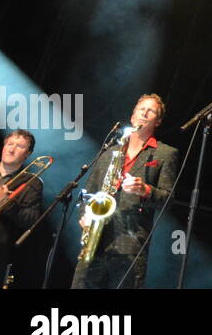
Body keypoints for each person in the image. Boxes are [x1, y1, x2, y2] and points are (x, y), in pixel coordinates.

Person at [72, 94, 179, 288]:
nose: (145, 113)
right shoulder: (109, 152)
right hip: (95, 241)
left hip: (130, 244)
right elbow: (88, 193)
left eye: (151, 111)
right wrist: (86, 215)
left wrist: (145, 190)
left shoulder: (166, 154)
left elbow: (168, 200)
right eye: (141, 109)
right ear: (132, 116)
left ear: (158, 121)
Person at [0, 130, 44, 289]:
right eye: (9, 144)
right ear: (3, 146)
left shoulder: (32, 183)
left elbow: (31, 220)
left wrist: (5, 201)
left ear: (27, 154)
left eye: (20, 146)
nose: (11, 149)